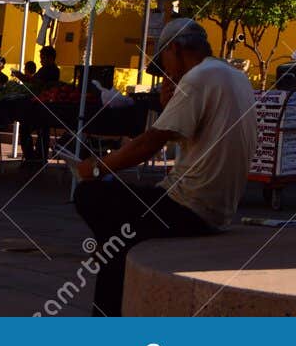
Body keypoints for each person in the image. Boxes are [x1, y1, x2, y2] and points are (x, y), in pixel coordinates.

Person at [73, 17, 257, 317]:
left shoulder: (198, 78)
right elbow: (186, 133)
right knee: (116, 244)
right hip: (219, 209)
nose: (166, 72)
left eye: (164, 62)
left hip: (188, 207)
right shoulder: (234, 75)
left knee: (89, 195)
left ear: (175, 48)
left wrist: (95, 167)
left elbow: (149, 144)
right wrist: (167, 105)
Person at [22, 45, 62, 163]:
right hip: (38, 106)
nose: (40, 60)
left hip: (44, 108)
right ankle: (33, 157)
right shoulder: (43, 69)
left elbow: (39, 83)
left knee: (35, 130)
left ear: (50, 58)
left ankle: (36, 158)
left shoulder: (53, 70)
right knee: (29, 129)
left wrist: (25, 78)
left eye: (42, 58)